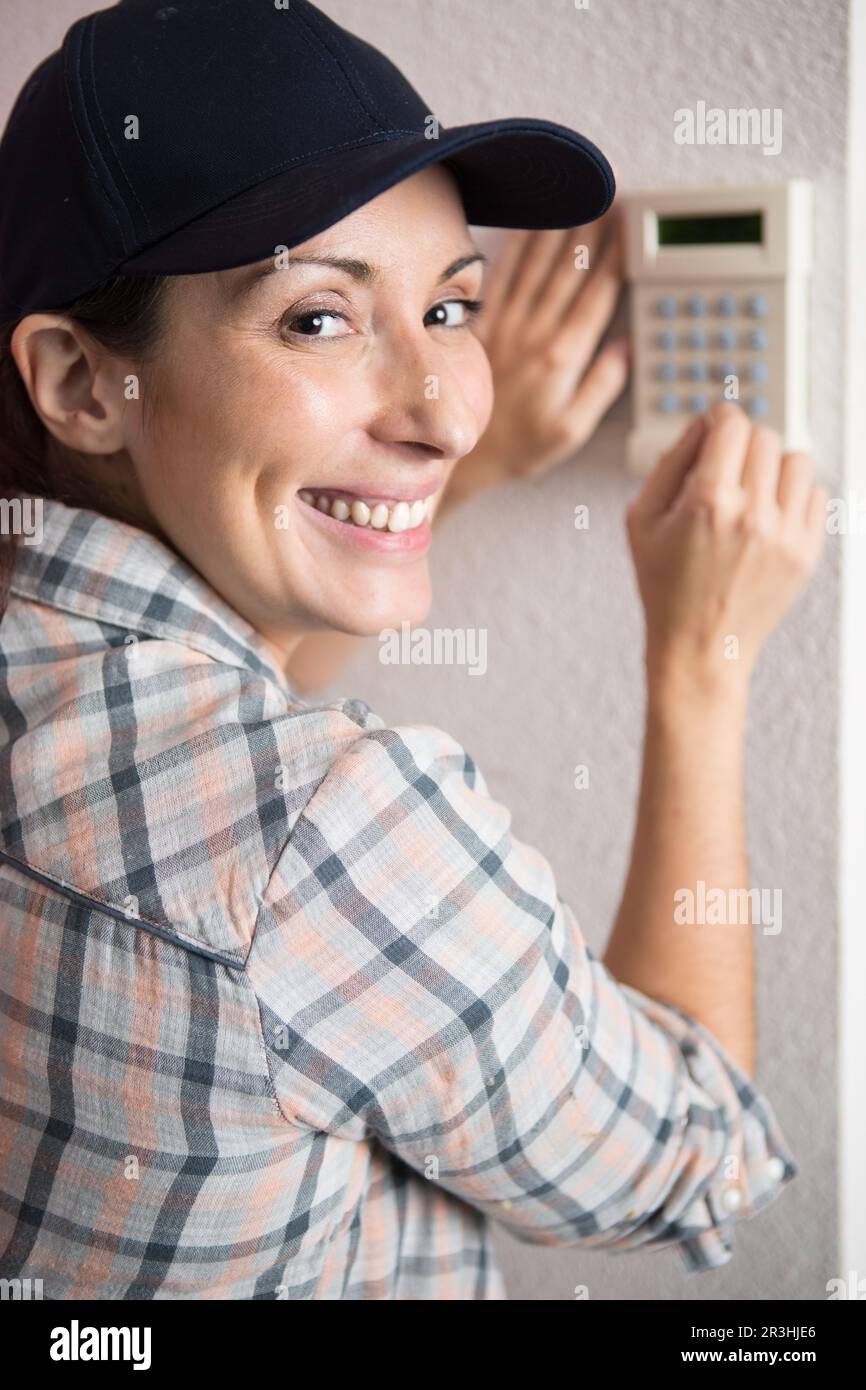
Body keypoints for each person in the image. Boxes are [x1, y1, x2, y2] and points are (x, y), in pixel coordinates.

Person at [0, 0, 824, 1300]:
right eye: (318, 319)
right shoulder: (332, 827)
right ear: (84, 382)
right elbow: (700, 1152)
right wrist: (699, 656)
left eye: (451, 307)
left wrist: (432, 480)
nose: (442, 414)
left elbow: (192, 777)